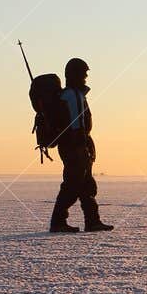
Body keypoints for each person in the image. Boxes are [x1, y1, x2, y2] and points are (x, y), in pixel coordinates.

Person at [50, 57, 113, 233]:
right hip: (75, 147)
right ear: (75, 75)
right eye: (83, 73)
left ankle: (93, 221)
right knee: (72, 185)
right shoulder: (73, 95)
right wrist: (83, 146)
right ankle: (58, 222)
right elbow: (78, 124)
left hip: (73, 146)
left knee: (86, 185)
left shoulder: (69, 94)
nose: (86, 77)